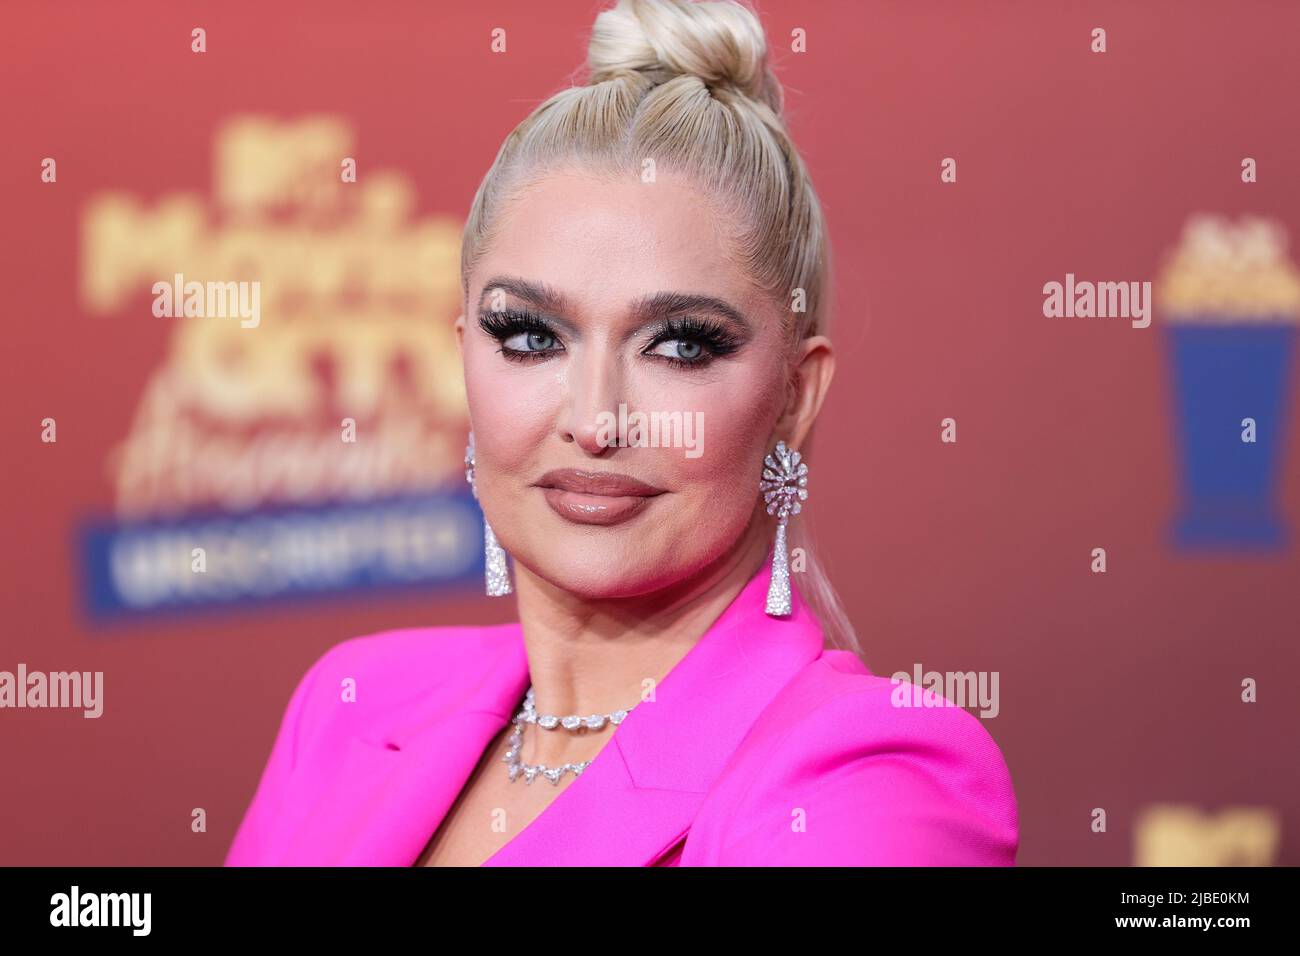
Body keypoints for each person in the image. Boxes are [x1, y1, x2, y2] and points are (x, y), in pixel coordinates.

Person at [224, 0, 1018, 867]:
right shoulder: (351, 708)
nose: (594, 420)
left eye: (679, 345)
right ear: (465, 358)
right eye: (531, 338)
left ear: (795, 394)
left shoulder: (868, 775)